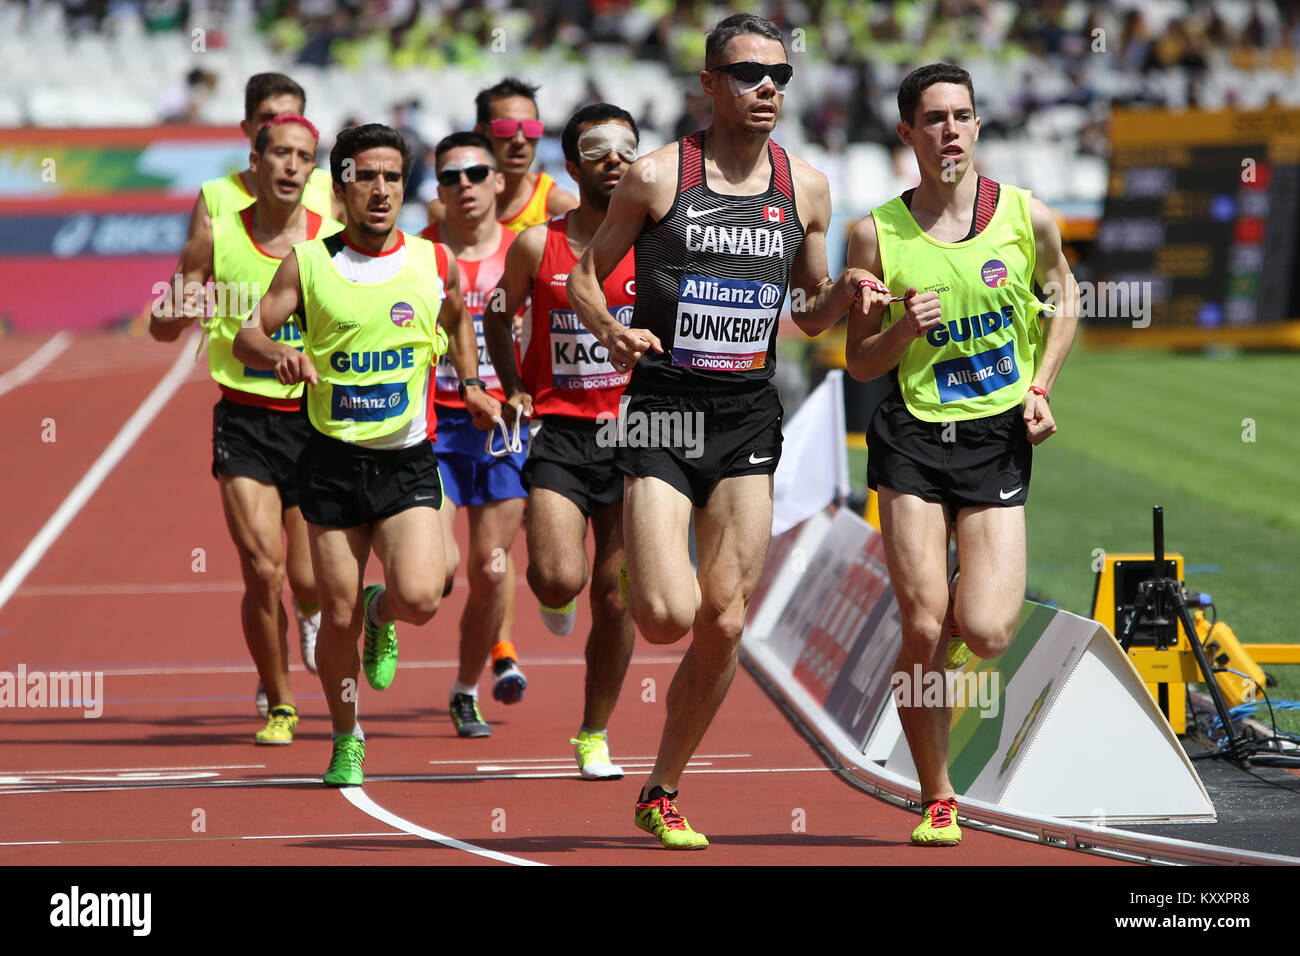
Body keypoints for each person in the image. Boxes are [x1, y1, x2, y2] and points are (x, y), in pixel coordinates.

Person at [567, 14, 875, 847]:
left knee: (728, 621)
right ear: (709, 83)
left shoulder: (806, 187)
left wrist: (847, 291)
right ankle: (641, 566)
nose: (768, 86)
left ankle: (662, 788)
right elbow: (582, 276)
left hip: (745, 415)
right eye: (748, 73)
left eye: (779, 73)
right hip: (663, 408)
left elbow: (808, 317)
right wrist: (613, 332)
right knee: (667, 614)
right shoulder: (658, 178)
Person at [843, 62, 1078, 846]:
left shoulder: (1025, 216)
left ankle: (949, 598)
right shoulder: (875, 233)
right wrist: (904, 329)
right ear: (907, 133)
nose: (951, 129)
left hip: (995, 441)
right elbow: (861, 363)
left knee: (985, 630)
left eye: (964, 115)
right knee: (922, 626)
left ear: (978, 127)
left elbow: (1065, 294)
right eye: (935, 118)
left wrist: (1040, 385)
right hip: (912, 440)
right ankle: (938, 793)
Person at [233, 124, 501, 786]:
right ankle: (347, 736)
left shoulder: (432, 262)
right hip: (330, 464)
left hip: (406, 462)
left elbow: (460, 319)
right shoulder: (309, 264)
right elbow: (245, 337)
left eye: (392, 177)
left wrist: (468, 384)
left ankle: (388, 613)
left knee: (421, 594)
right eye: (366, 176)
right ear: (343, 185)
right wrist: (280, 355)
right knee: (336, 615)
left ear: (403, 187)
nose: (380, 189)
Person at [149, 115, 341, 744]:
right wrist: (173, 313)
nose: (290, 166)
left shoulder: (333, 240)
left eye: (303, 157)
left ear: (313, 170)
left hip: (315, 424)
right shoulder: (217, 237)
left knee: (311, 580)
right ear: (254, 163)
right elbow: (163, 322)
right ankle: (281, 702)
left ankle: (310, 614)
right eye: (279, 154)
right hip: (245, 420)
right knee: (263, 569)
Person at [484, 103, 641, 780]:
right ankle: (552, 593)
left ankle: (594, 732)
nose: (614, 160)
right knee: (558, 575)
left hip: (638, 435)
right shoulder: (534, 246)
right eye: (597, 151)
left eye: (626, 149)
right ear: (572, 169)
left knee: (617, 596)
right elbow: (497, 314)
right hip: (559, 429)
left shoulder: (661, 242)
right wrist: (514, 384)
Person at [418, 132, 529, 737]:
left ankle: (465, 690)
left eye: (476, 172)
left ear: (498, 182)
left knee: (490, 570)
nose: (465, 185)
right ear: (439, 190)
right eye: (451, 176)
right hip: (434, 424)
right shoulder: (417, 255)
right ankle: (385, 609)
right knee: (437, 571)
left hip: (503, 433)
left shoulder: (524, 251)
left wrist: (524, 389)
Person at [426, 77, 577, 232]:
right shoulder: (446, 213)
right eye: (506, 128)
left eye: (531, 129)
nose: (520, 140)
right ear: (480, 133)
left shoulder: (561, 209)